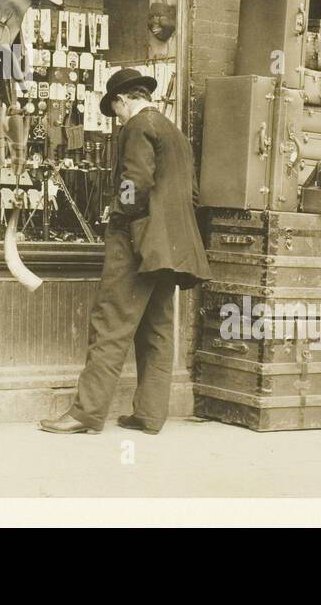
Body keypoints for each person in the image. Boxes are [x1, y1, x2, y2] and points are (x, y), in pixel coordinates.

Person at [39, 67, 212, 435]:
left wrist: (117, 209)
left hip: (136, 242)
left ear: (123, 100)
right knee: (157, 330)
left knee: (110, 324)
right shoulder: (174, 133)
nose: (116, 117)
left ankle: (85, 413)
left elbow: (137, 182)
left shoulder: (136, 127)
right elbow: (192, 194)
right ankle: (149, 415)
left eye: (114, 109)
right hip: (171, 250)